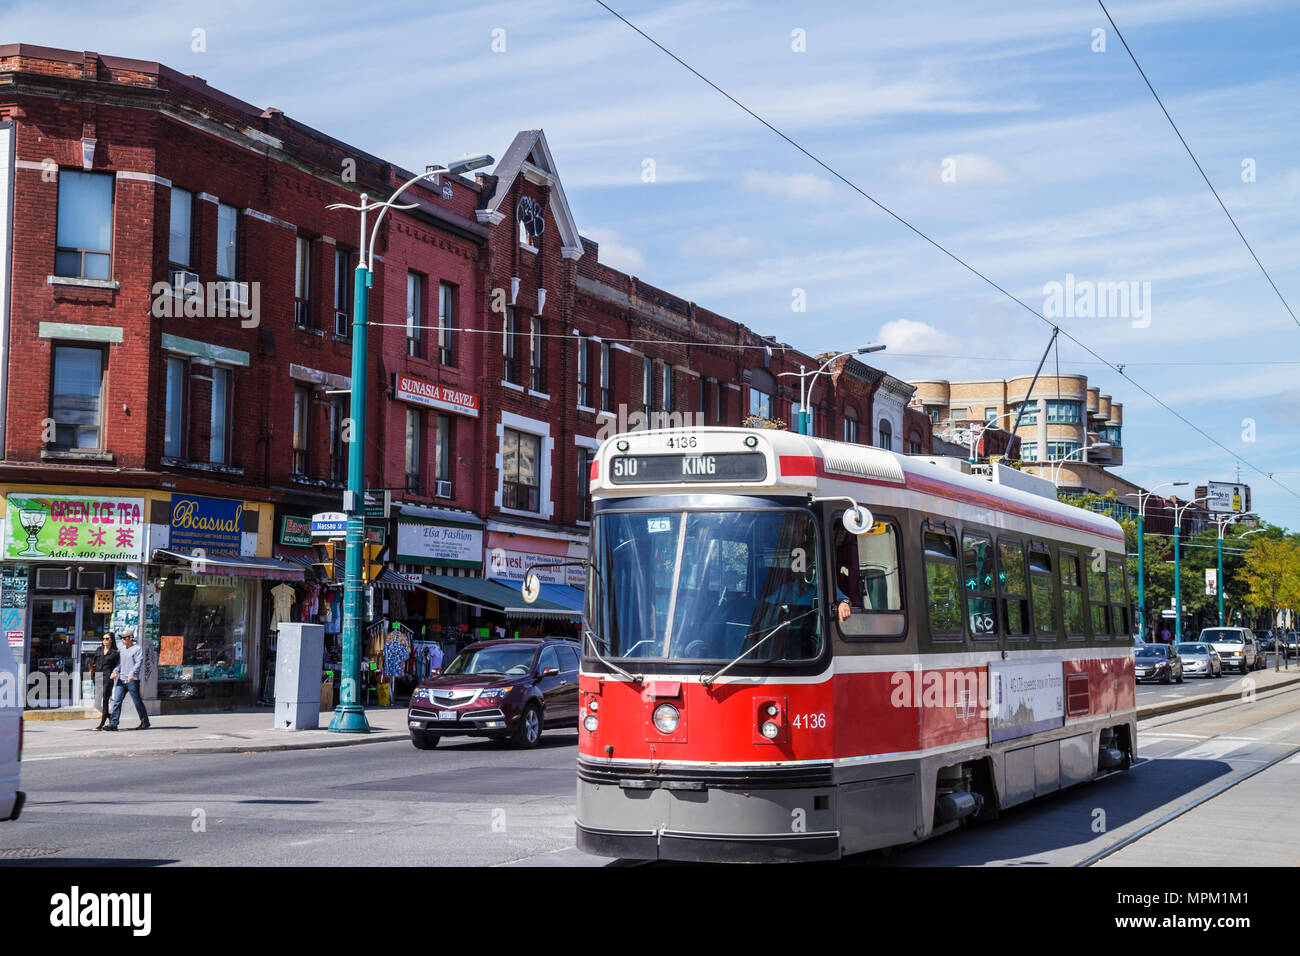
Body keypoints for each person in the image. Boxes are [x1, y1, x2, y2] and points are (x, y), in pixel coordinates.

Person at [104, 628, 150, 731]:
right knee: (117, 701)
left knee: (137, 701)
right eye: (121, 638)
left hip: (132, 680)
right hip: (121, 679)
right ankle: (113, 724)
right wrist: (115, 672)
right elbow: (119, 663)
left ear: (131, 638)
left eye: (124, 638)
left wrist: (132, 674)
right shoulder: (121, 649)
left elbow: (139, 663)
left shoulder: (137, 649)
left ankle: (145, 722)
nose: (122, 640)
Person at [90, 633, 119, 731]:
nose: (104, 640)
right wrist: (92, 674)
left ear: (111, 640)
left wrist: (114, 673)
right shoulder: (99, 650)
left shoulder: (114, 652)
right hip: (97, 677)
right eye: (103, 638)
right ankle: (111, 718)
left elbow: (117, 666)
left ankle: (101, 724)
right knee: (97, 703)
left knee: (105, 701)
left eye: (107, 638)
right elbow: (93, 662)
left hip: (107, 678)